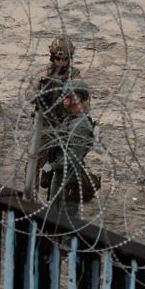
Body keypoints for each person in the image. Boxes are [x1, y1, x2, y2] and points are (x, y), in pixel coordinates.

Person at [41, 79, 97, 219]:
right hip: (61, 174)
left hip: (69, 176)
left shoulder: (80, 125)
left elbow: (73, 157)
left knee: (67, 216)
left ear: (81, 98)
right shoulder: (70, 119)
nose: (66, 97)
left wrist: (50, 166)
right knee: (55, 212)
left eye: (71, 94)